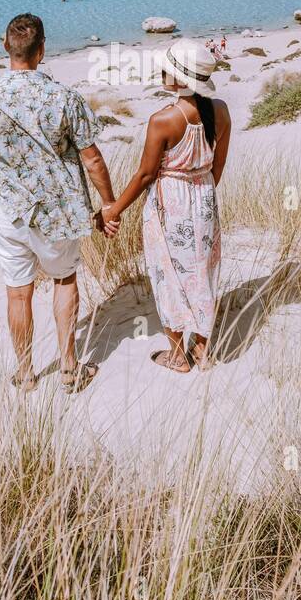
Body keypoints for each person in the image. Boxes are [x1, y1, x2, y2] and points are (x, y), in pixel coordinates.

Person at [0, 12, 119, 394]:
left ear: (5, 47)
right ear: (42, 49)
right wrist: (109, 203)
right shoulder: (65, 98)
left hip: (8, 213)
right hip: (59, 213)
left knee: (18, 293)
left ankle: (27, 373)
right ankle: (68, 367)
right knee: (64, 280)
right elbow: (92, 159)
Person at [102, 43, 231, 373]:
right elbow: (217, 167)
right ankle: (201, 349)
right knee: (203, 270)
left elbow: (145, 174)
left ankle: (177, 355)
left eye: (167, 68)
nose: (161, 72)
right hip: (204, 196)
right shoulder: (220, 110)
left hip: (169, 203)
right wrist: (201, 193)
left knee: (169, 275)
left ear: (179, 77)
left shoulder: (163, 120)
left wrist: (114, 210)